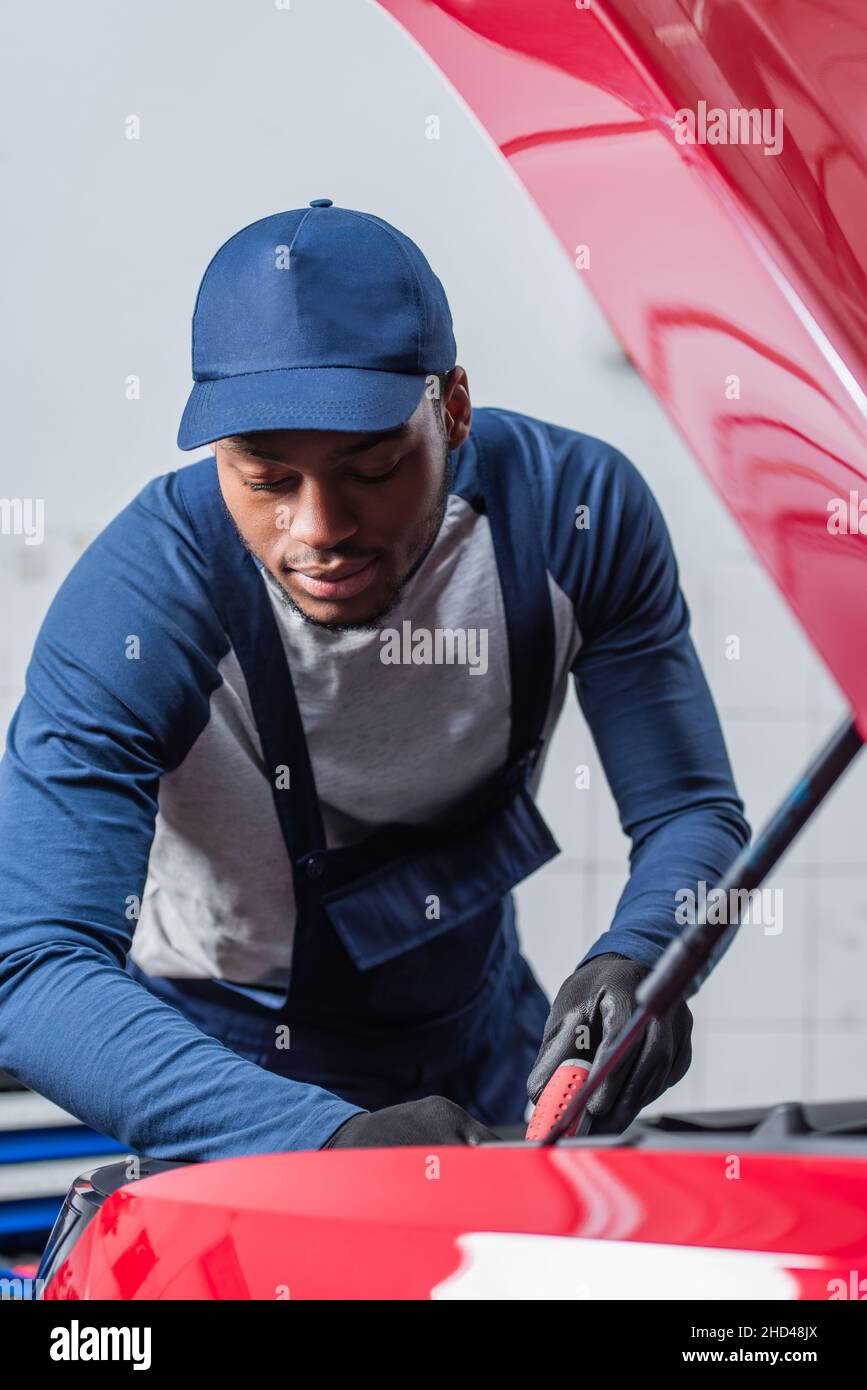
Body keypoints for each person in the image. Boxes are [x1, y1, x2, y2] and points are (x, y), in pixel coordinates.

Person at [0, 200, 749, 1159]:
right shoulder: (142, 605)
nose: (318, 528)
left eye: (373, 466)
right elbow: (35, 964)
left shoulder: (577, 515)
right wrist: (326, 1140)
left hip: (489, 1037)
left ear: (453, 408)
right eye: (266, 480)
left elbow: (691, 809)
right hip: (232, 1071)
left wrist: (646, 960)